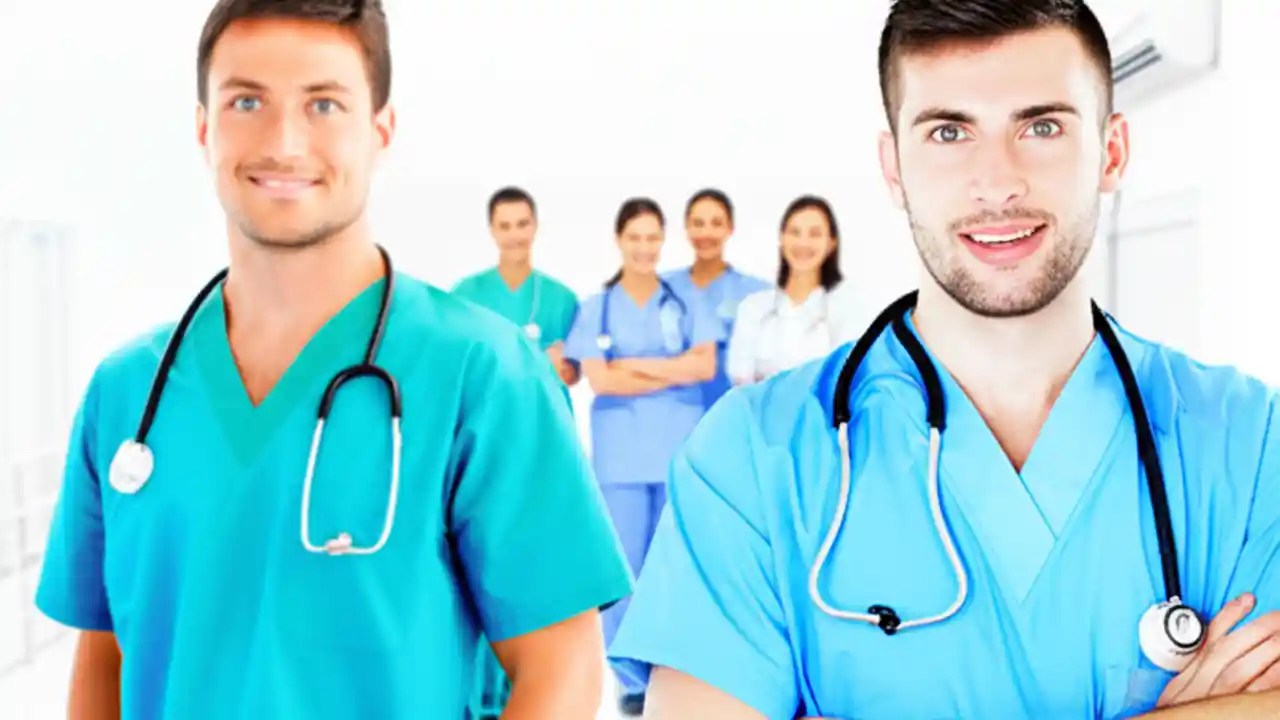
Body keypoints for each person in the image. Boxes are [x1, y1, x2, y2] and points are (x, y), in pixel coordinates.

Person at [608, 1, 1280, 718]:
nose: (997, 183)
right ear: (894, 167)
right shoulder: (752, 456)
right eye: (949, 131)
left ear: (1111, 152)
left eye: (1042, 126)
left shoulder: (1247, 438)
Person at [33, 3, 633, 719]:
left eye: (323, 104)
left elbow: (560, 669)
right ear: (203, 127)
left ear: (381, 130)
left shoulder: (483, 374)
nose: (284, 142)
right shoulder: (128, 393)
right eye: (247, 101)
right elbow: (105, 657)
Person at [563, 197, 718, 716]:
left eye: (654, 238)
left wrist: (636, 367)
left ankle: (671, 673)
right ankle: (629, 678)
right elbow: (600, 378)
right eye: (636, 237)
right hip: (620, 459)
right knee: (623, 569)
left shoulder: (683, 301)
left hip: (676, 450)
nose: (646, 247)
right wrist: (666, 366)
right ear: (619, 240)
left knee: (671, 565)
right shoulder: (597, 306)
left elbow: (702, 368)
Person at [452, 186, 581, 390]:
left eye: (522, 224)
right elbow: (456, 366)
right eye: (505, 226)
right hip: (487, 416)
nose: (514, 235)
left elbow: (572, 374)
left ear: (535, 226)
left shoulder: (562, 299)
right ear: (492, 230)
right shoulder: (466, 295)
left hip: (544, 416)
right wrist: (542, 364)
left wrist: (563, 368)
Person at [726, 195, 853, 386]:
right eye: (795, 232)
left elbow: (845, 381)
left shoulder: (844, 311)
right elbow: (740, 381)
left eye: (815, 234)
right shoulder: (754, 308)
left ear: (831, 243)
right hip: (760, 414)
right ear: (781, 238)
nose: (803, 243)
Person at [661, 189, 770, 409]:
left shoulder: (756, 293)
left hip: (733, 415)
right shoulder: (662, 288)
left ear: (730, 228)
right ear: (686, 228)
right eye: (698, 223)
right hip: (670, 416)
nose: (706, 233)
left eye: (716, 223)